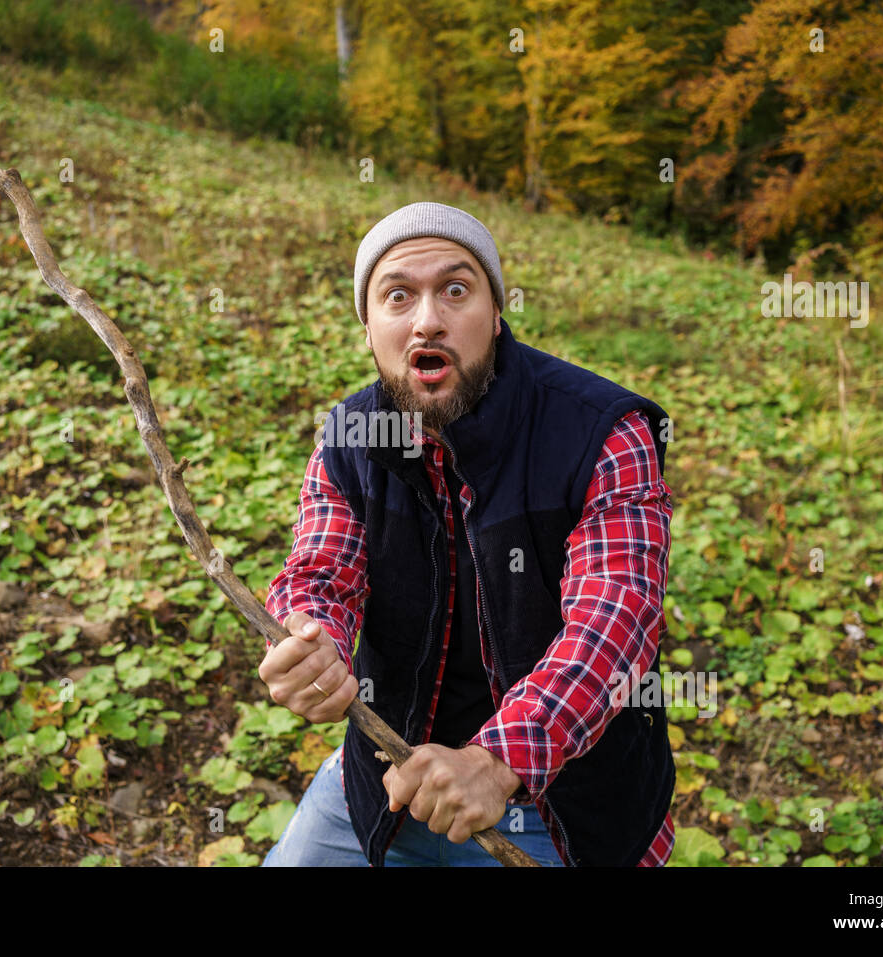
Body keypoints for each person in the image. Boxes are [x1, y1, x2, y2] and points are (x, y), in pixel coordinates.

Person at [259, 201, 676, 866]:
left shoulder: (600, 432)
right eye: (398, 295)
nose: (428, 318)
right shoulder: (350, 435)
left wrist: (499, 757)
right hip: (386, 782)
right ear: (370, 329)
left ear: (496, 312)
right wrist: (312, 637)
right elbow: (320, 573)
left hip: (558, 805)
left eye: (456, 289)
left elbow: (615, 621)